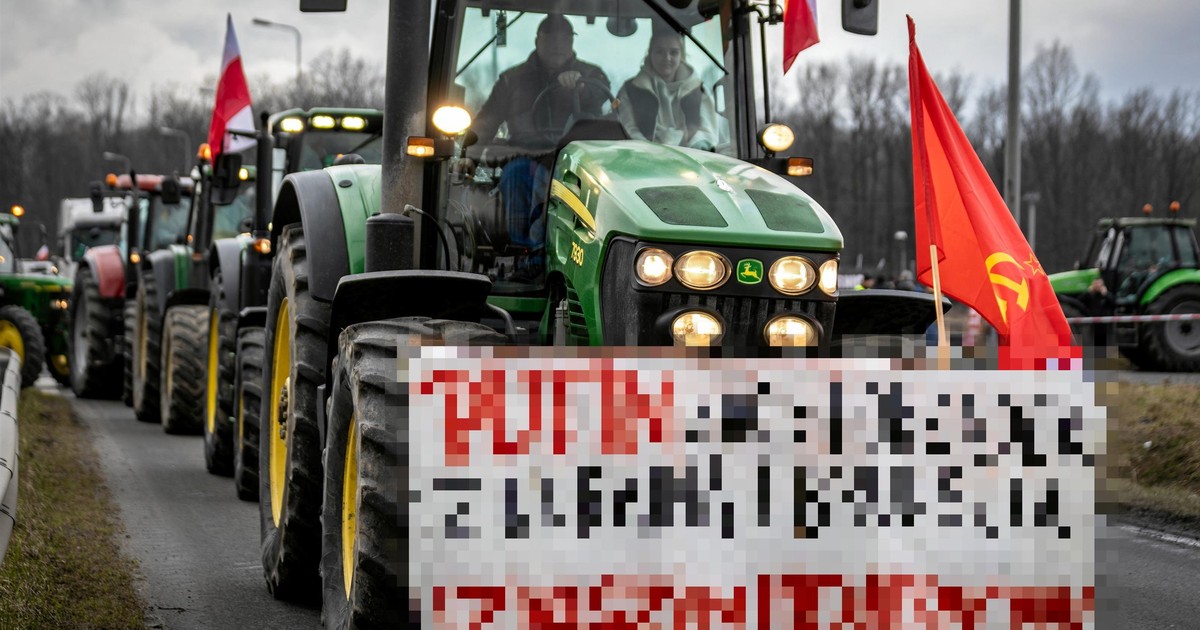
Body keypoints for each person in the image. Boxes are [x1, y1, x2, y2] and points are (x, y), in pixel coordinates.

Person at [460, 14, 611, 252]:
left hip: (575, 160)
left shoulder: (592, 76)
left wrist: (580, 86)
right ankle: (525, 253)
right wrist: (468, 154)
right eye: (550, 38)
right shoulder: (512, 80)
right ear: (537, 40)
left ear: (572, 41)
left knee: (594, 187)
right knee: (516, 175)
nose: (557, 45)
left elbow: (602, 98)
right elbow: (487, 121)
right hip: (526, 155)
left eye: (564, 39)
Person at [616, 27, 719, 151]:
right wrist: (649, 151)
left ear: (681, 55)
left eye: (674, 52)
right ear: (650, 53)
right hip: (644, 156)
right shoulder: (630, 90)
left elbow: (707, 130)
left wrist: (694, 149)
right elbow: (628, 129)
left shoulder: (698, 90)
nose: (667, 58)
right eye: (660, 52)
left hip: (691, 157)